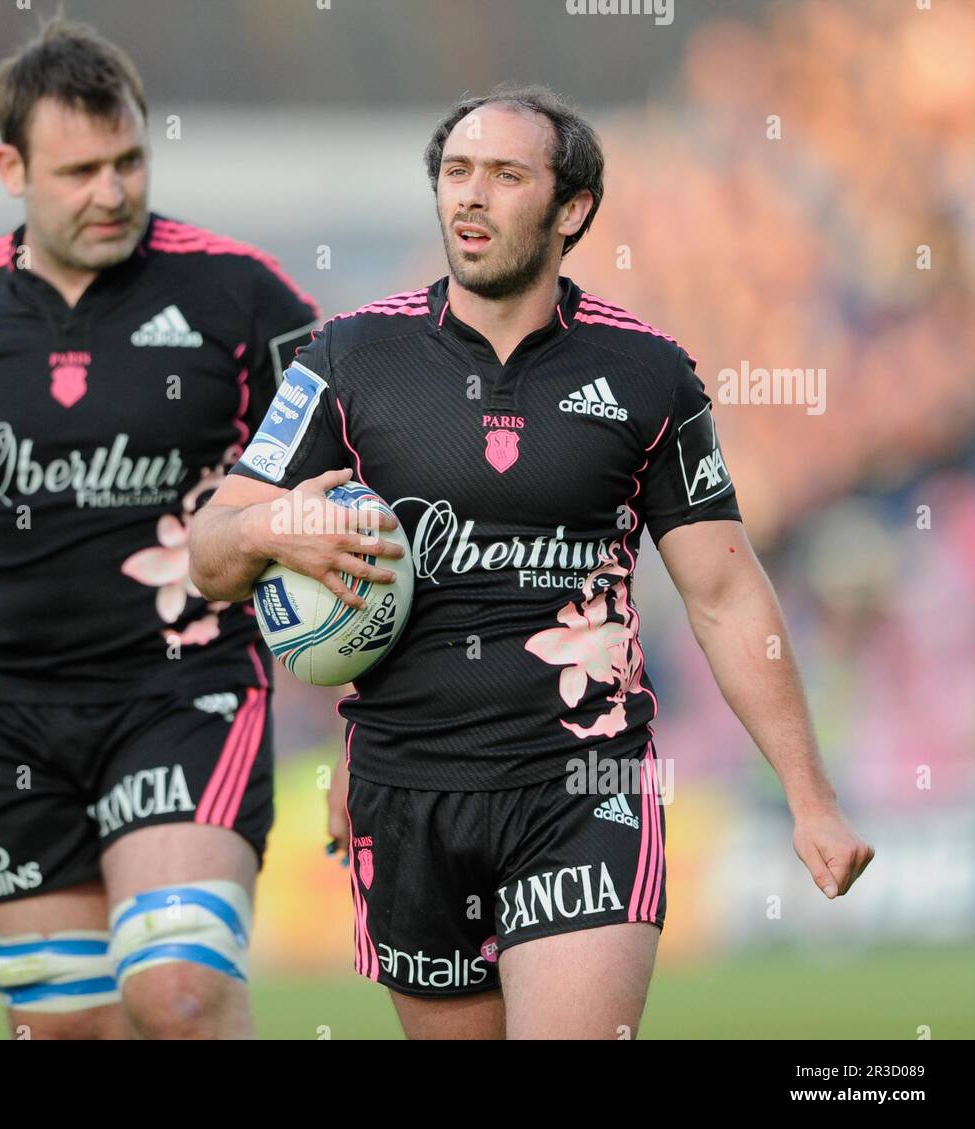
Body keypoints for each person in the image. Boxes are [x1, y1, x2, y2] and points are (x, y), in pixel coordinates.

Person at [188, 84, 873, 1040]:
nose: (470, 196)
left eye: (507, 176)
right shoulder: (346, 359)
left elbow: (722, 592)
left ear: (571, 210)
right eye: (456, 173)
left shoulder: (648, 373)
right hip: (408, 792)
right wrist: (273, 531)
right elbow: (210, 553)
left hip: (583, 787)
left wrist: (811, 795)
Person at [0, 18, 317, 1040]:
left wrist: (372, 711)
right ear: (11, 168)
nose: (113, 191)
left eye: (130, 160)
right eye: (80, 169)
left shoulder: (246, 299)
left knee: (177, 995)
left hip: (186, 688)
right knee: (67, 1029)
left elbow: (343, 493)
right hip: (9, 715)